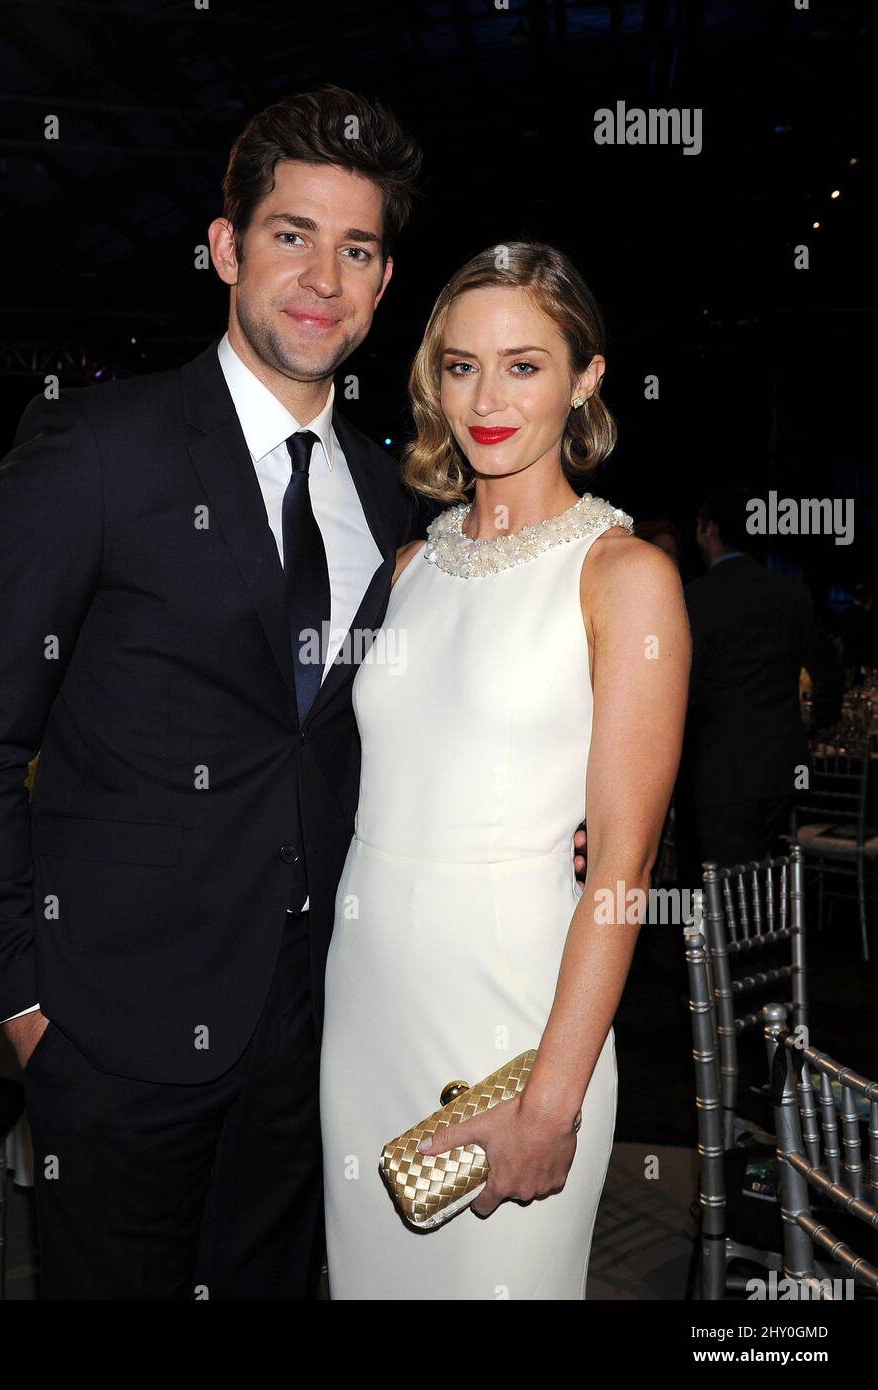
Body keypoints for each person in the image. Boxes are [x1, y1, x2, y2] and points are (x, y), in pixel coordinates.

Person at [0, 85, 425, 1300]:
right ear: (224, 249)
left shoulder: (396, 494)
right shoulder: (97, 449)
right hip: (110, 1029)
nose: (321, 273)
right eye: (290, 234)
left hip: (314, 1036)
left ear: (381, 282)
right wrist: (23, 1005)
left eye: (354, 247)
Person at [319, 242, 690, 1299]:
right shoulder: (408, 569)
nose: (487, 397)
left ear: (585, 380)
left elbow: (624, 860)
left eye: (525, 365)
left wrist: (554, 1100)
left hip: (519, 1016)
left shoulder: (626, 577)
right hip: (367, 1007)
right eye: (461, 364)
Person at [681, 487, 843, 870]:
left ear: (709, 529)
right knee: (770, 872)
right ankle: (783, 931)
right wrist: (818, 718)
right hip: (784, 766)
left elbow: (683, 688)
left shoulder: (696, 597)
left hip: (722, 768)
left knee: (726, 882)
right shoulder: (791, 592)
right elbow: (829, 672)